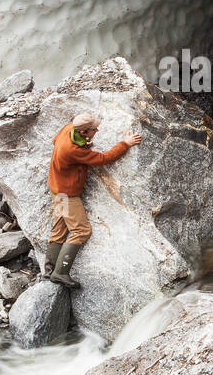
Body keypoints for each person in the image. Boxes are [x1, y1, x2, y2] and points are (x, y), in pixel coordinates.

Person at [44, 112, 142, 287]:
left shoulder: (68, 129)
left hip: (57, 189)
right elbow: (103, 159)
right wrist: (125, 144)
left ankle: (49, 270)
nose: (97, 130)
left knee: (59, 229)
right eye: (94, 129)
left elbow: (54, 141)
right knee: (81, 231)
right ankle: (61, 272)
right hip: (66, 195)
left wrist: (85, 144)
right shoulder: (72, 150)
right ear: (83, 132)